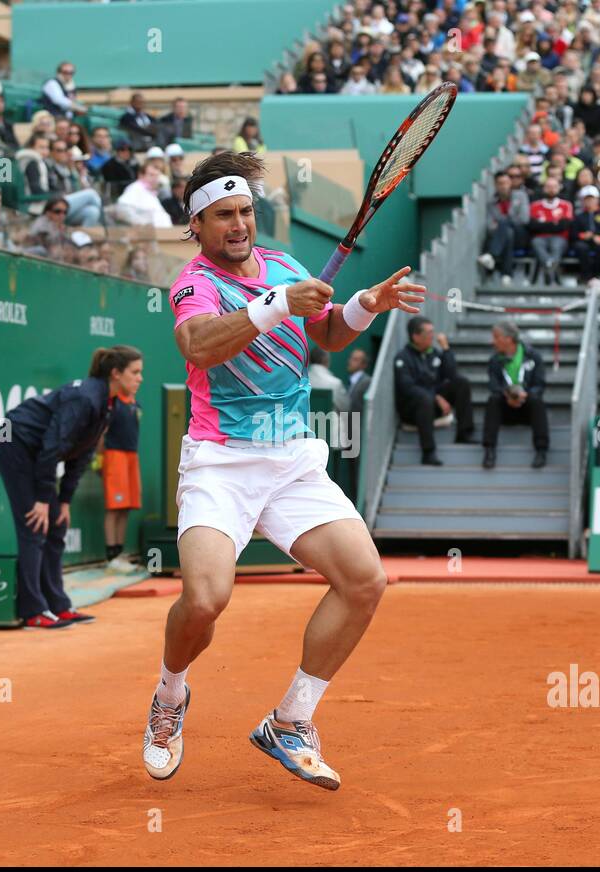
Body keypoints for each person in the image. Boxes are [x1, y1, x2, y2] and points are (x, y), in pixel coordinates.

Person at [145, 150, 422, 789]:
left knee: (364, 580)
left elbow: (324, 335)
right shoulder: (195, 284)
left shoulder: (286, 266)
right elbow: (198, 345)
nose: (238, 225)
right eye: (222, 216)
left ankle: (291, 721)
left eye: (245, 211)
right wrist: (276, 303)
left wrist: (364, 307)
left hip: (292, 459)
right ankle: (170, 695)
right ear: (198, 225)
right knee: (206, 600)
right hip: (220, 463)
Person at [0, 345, 141, 629]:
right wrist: (41, 499)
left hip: (36, 454)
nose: (139, 379)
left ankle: (57, 605)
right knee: (35, 524)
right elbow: (53, 446)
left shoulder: (107, 404)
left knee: (57, 524)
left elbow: (81, 454)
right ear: (116, 373)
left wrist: (63, 502)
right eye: (134, 372)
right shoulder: (85, 398)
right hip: (14, 444)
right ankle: (33, 611)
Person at [395, 316, 474, 465]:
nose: (434, 336)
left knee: (461, 382)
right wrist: (436, 397)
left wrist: (446, 350)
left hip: (434, 404)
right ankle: (428, 452)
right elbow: (407, 388)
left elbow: (451, 374)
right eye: (429, 333)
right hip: (413, 410)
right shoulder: (403, 357)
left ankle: (464, 433)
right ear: (416, 336)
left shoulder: (435, 353)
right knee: (423, 398)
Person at [482, 320, 549, 469]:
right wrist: (507, 394)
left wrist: (525, 395)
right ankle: (489, 450)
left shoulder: (533, 356)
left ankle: (541, 451)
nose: (493, 342)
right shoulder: (494, 360)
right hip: (505, 408)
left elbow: (540, 384)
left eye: (496, 337)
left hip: (527, 407)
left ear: (508, 339)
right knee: (493, 400)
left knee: (536, 400)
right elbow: (493, 385)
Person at [100, 370, 144, 573]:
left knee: (126, 506)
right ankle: (111, 557)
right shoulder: (112, 403)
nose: (139, 379)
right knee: (114, 507)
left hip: (131, 457)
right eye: (135, 373)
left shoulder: (135, 404)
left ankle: (119, 553)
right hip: (114, 456)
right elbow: (101, 434)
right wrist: (99, 460)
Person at [479, 170, 528, 284]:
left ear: (510, 183)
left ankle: (491, 255)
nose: (503, 186)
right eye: (500, 183)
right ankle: (506, 275)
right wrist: (502, 224)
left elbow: (524, 219)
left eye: (506, 182)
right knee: (508, 233)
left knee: (504, 224)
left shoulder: (521, 196)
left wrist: (502, 222)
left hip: (521, 235)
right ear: (496, 185)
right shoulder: (492, 202)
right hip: (506, 236)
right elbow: (490, 226)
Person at [308, 346, 349, 412]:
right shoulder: (336, 384)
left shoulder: (300, 382)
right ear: (325, 359)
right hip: (328, 421)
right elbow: (345, 408)